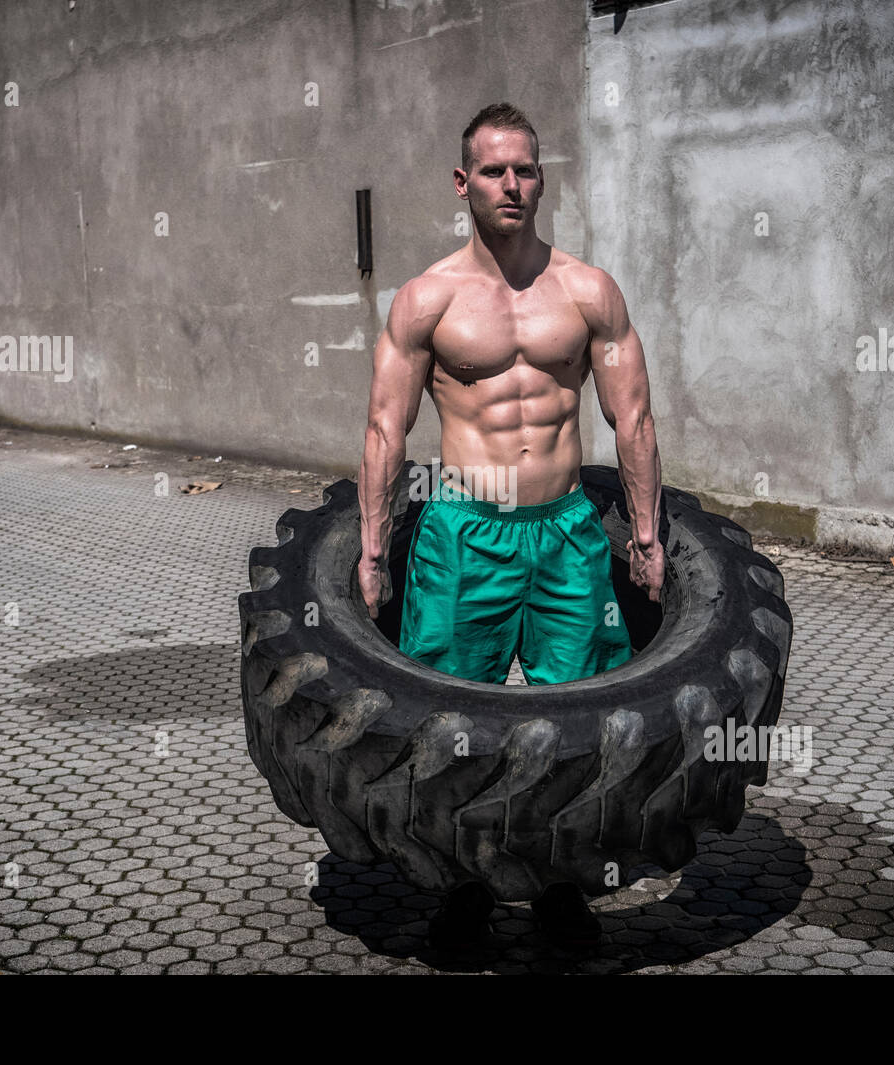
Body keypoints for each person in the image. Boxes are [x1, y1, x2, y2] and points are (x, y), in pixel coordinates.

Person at [356, 102, 664, 949]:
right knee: (450, 726)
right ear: (464, 182)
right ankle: (462, 889)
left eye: (525, 169)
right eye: (493, 170)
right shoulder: (427, 299)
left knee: (577, 725)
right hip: (464, 531)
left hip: (567, 531)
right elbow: (386, 430)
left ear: (541, 177)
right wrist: (375, 549)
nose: (511, 185)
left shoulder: (587, 290)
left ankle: (562, 887)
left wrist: (645, 533)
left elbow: (632, 417)